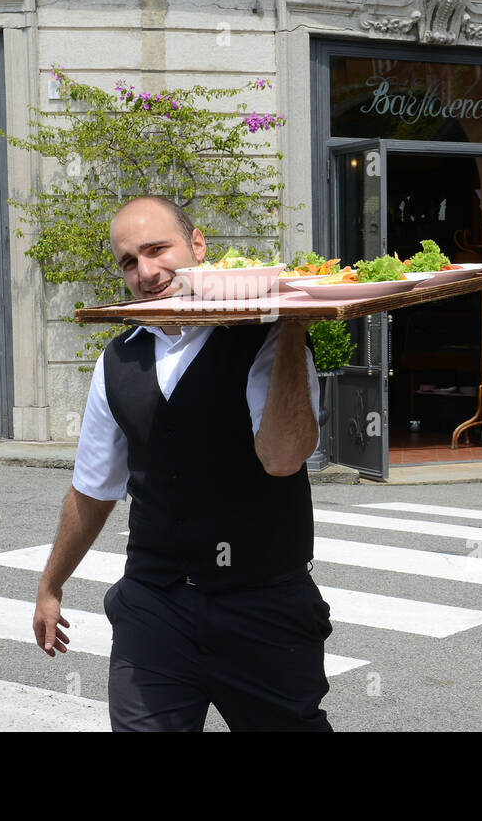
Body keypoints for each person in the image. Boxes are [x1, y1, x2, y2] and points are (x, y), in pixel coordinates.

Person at [31, 194, 332, 731]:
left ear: (197, 245)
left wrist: (291, 325)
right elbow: (94, 488)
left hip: (263, 606)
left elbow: (284, 458)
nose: (146, 272)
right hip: (154, 605)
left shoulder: (267, 338)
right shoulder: (118, 357)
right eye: (129, 261)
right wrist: (51, 584)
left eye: (156, 249)